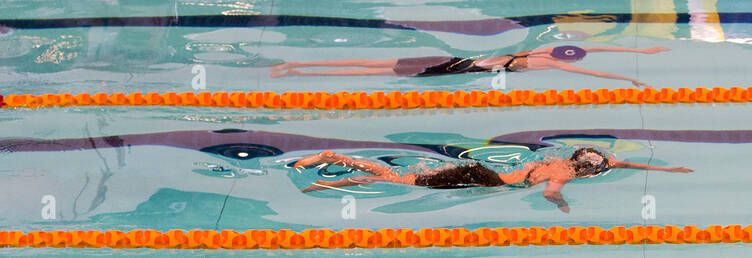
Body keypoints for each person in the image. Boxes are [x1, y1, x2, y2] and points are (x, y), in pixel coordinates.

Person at [292, 146, 692, 212]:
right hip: (484, 180)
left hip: (484, 173)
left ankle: (340, 176)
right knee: (398, 180)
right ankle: (333, 161)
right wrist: (563, 203)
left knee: (403, 175)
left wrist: (665, 170)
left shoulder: (559, 158)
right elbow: (552, 191)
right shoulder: (561, 175)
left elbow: (616, 163)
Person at [269, 44, 668, 88]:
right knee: (370, 73)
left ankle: (297, 63)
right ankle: (300, 73)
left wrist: (634, 53)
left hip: (443, 58)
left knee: (368, 61)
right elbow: (591, 67)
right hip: (451, 71)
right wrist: (630, 73)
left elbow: (590, 50)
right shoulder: (545, 68)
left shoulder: (540, 51)